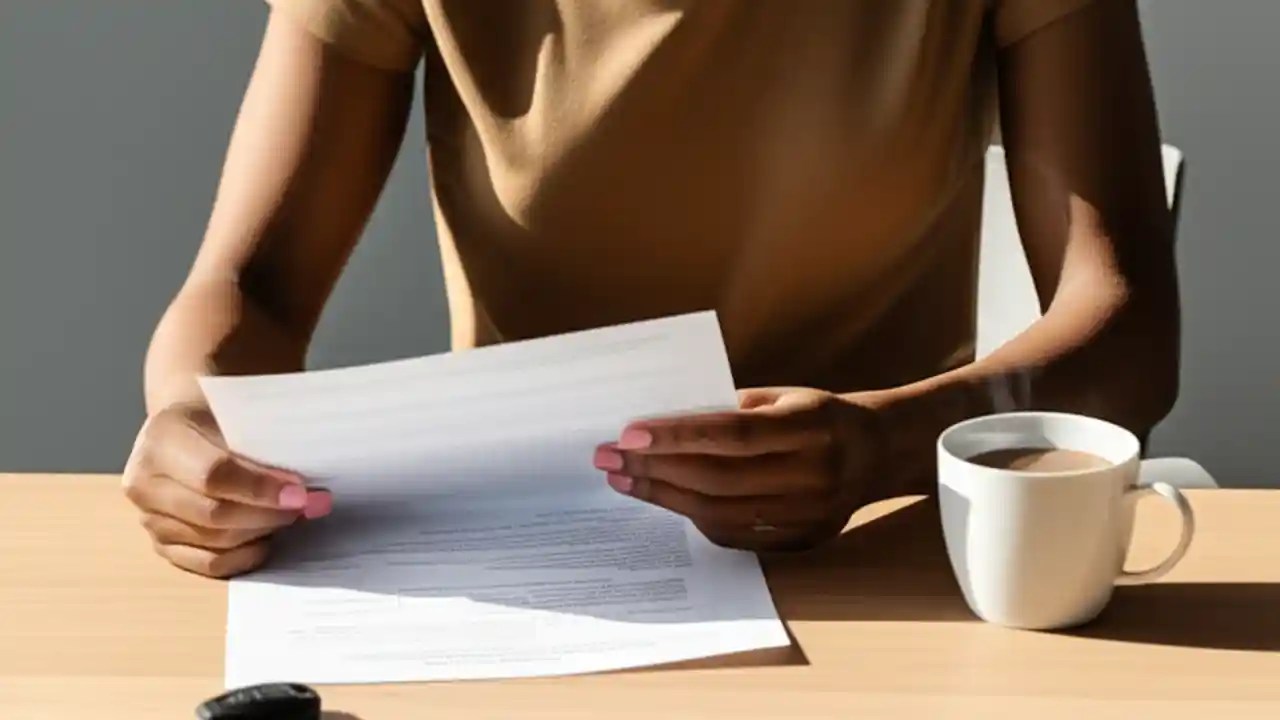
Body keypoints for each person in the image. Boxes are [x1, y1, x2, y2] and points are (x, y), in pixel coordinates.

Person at [122, 0, 1179, 578]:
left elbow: (1123, 335)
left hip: (880, 550)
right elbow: (248, 286)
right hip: (530, 562)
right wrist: (191, 412)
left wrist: (884, 444)